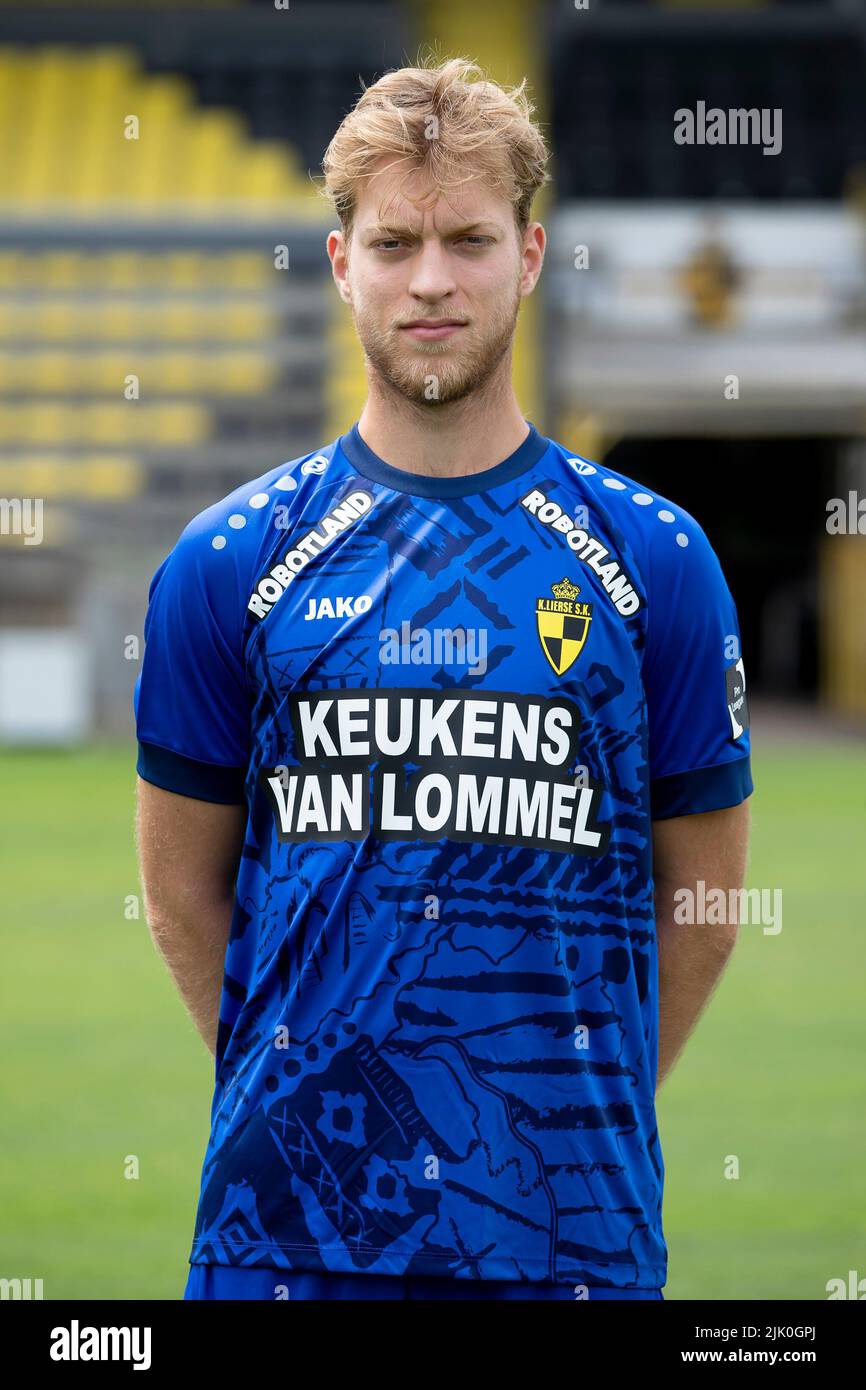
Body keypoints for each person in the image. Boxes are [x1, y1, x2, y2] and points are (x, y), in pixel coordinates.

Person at [135, 56, 752, 1302]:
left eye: (468, 239)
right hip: (283, 1244)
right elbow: (181, 896)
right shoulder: (227, 563)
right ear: (338, 262)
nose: (429, 280)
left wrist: (582, 1107)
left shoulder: (654, 559)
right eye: (394, 241)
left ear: (528, 256)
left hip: (570, 1243)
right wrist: (298, 1085)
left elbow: (703, 899)